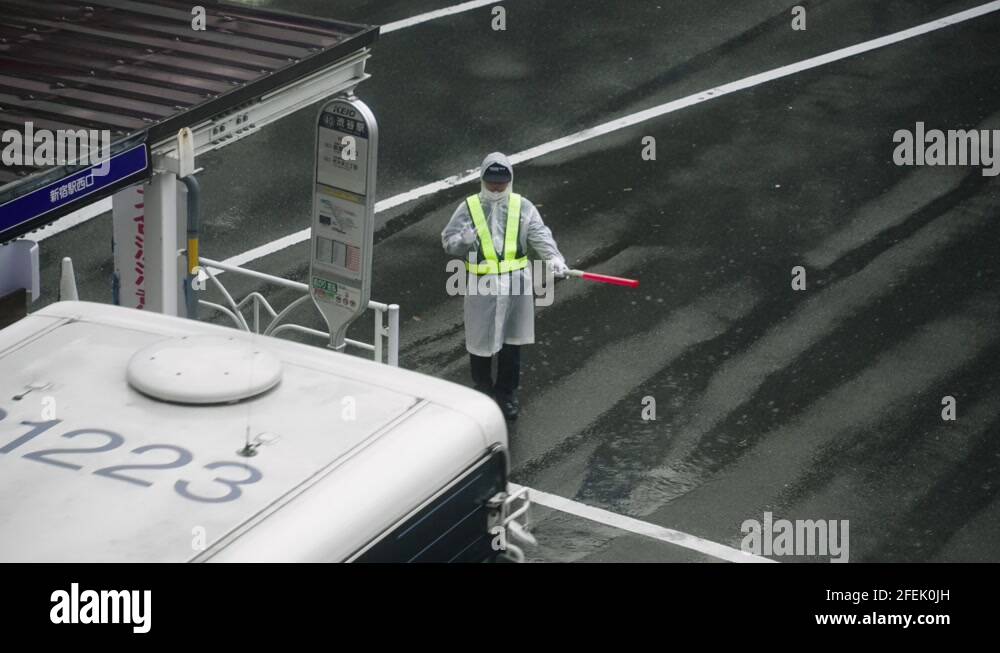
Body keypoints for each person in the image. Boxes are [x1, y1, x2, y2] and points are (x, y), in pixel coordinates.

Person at [441, 152, 568, 420]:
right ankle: (484, 392)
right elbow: (449, 242)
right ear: (482, 179)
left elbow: (539, 234)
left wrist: (554, 258)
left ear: (510, 180)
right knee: (480, 344)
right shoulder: (470, 207)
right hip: (482, 285)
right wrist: (463, 241)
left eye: (501, 182)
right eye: (491, 182)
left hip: (516, 286)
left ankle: (507, 394)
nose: (497, 187)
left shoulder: (523, 207)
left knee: (512, 345)